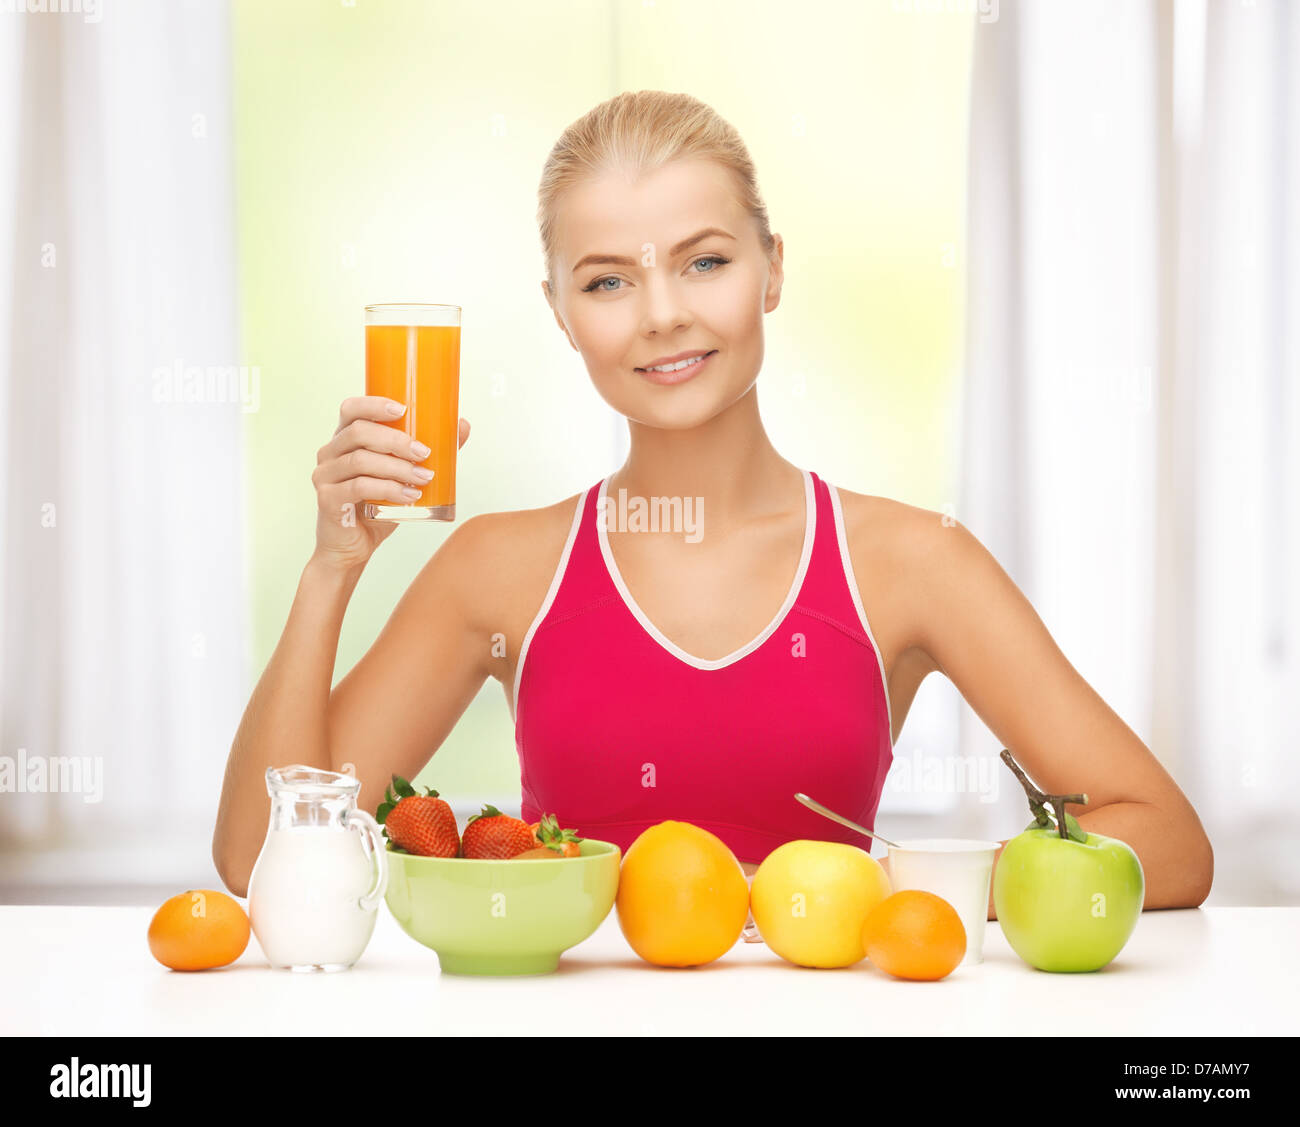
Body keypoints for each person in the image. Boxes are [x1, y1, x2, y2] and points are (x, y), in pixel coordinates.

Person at [213, 91, 1213, 920]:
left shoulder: (912, 560)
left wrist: (892, 886)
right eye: (608, 280)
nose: (662, 313)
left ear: (772, 268)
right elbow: (259, 856)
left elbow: (1165, 842)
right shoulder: (497, 568)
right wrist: (331, 567)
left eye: (705, 261)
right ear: (562, 313)